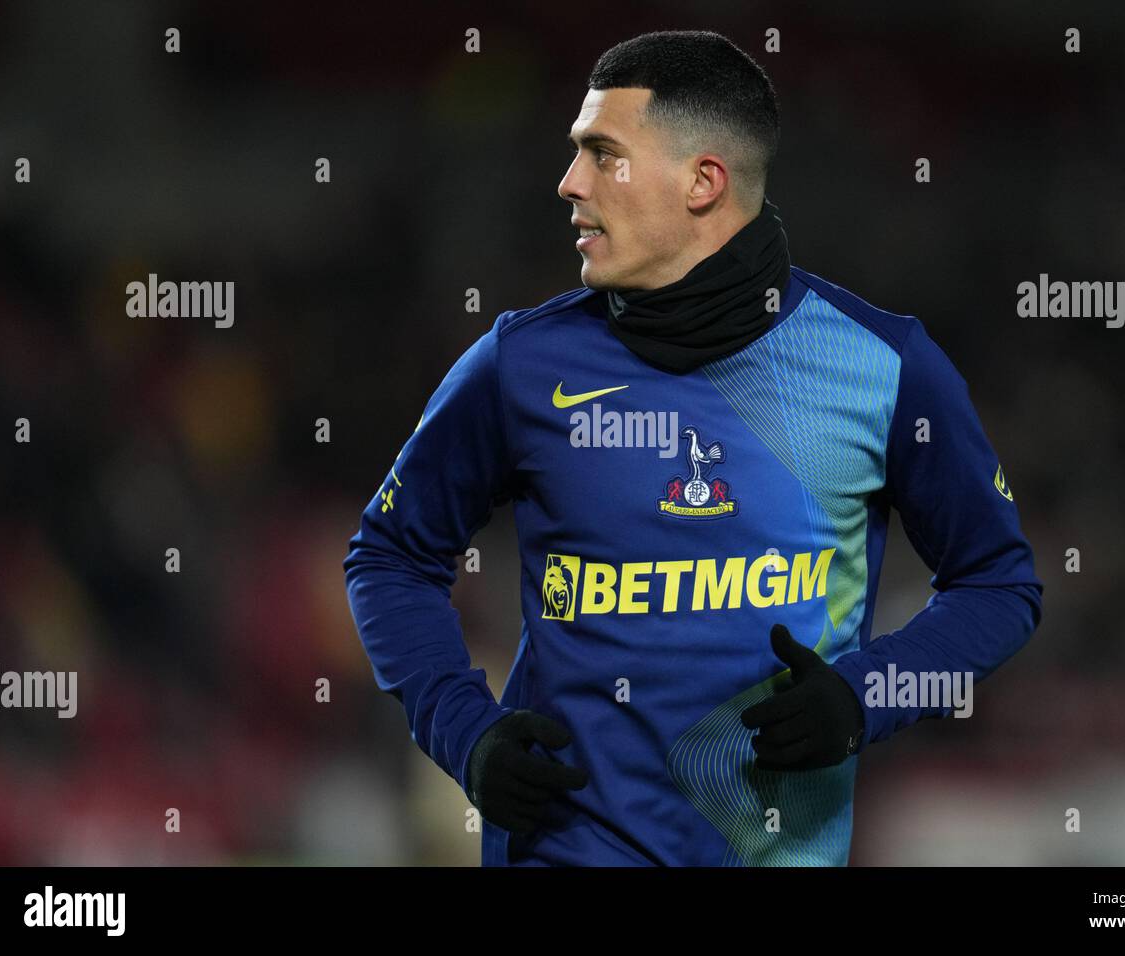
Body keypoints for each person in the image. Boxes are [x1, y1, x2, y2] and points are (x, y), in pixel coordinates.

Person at [343, 30, 1043, 866]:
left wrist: (865, 697)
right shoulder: (519, 366)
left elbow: (999, 585)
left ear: (703, 182)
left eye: (604, 156)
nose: (569, 185)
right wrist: (464, 731)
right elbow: (389, 556)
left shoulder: (882, 368)